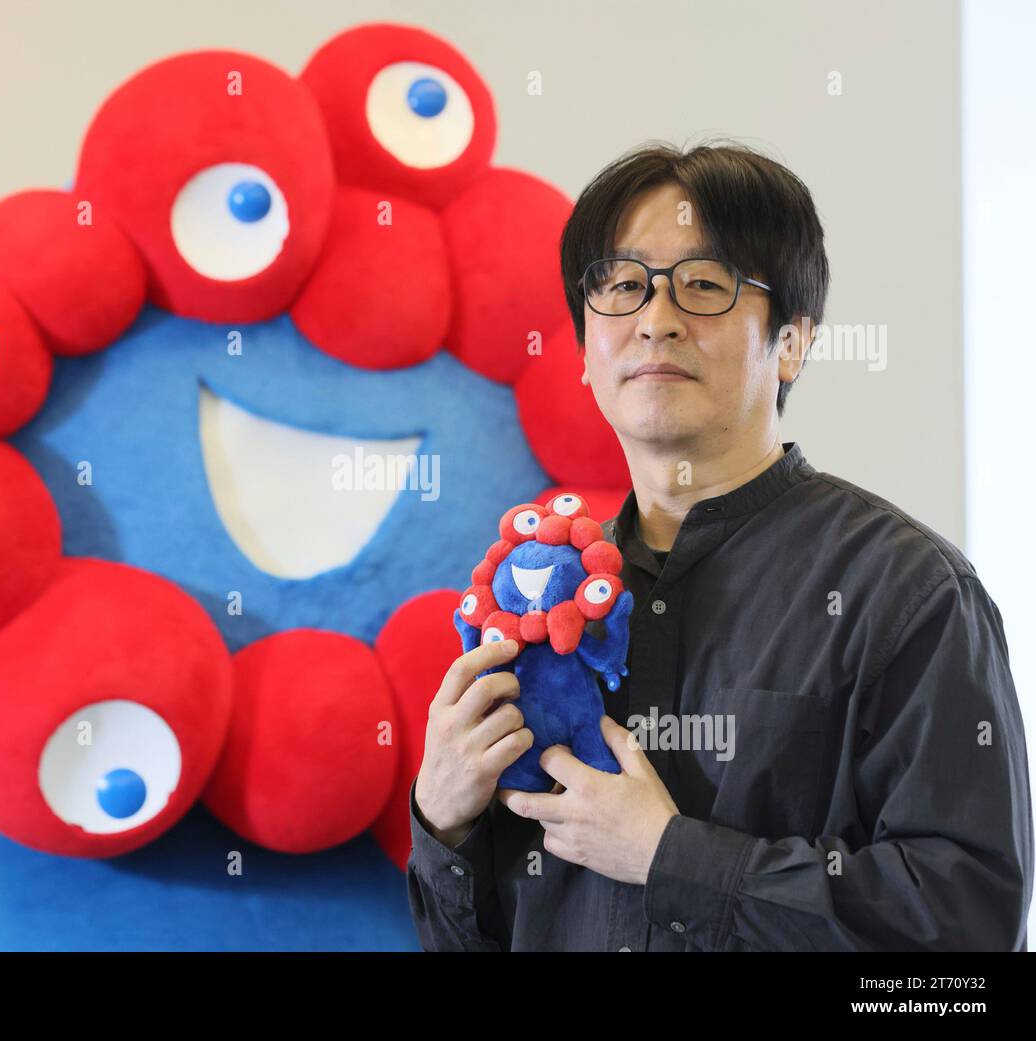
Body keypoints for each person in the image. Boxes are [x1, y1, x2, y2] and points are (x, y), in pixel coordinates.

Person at [407, 140, 1034, 951]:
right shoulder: (541, 603)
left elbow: (965, 936)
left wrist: (673, 859)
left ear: (795, 341)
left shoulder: (908, 591)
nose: (655, 319)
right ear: (584, 355)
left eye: (703, 285)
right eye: (622, 287)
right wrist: (443, 820)